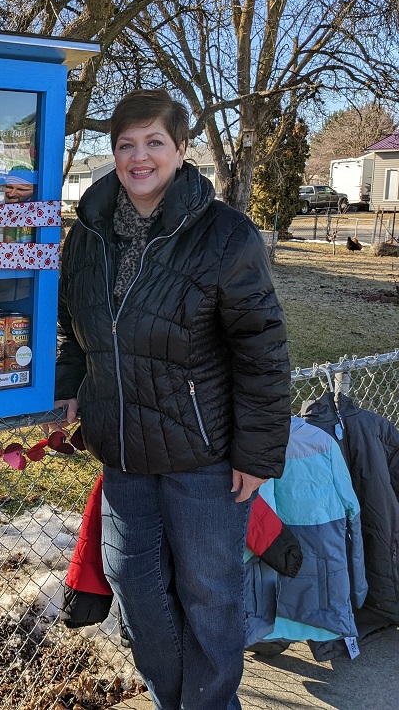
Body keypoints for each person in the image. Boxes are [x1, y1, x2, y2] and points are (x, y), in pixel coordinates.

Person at [55, 89, 291, 709]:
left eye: (154, 142)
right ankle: (175, 699)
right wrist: (68, 387)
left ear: (182, 150)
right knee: (135, 585)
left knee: (210, 592)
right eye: (126, 145)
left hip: (206, 455)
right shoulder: (85, 238)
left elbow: (262, 350)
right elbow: (72, 330)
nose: (139, 158)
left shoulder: (224, 236)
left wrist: (257, 450)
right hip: (124, 449)